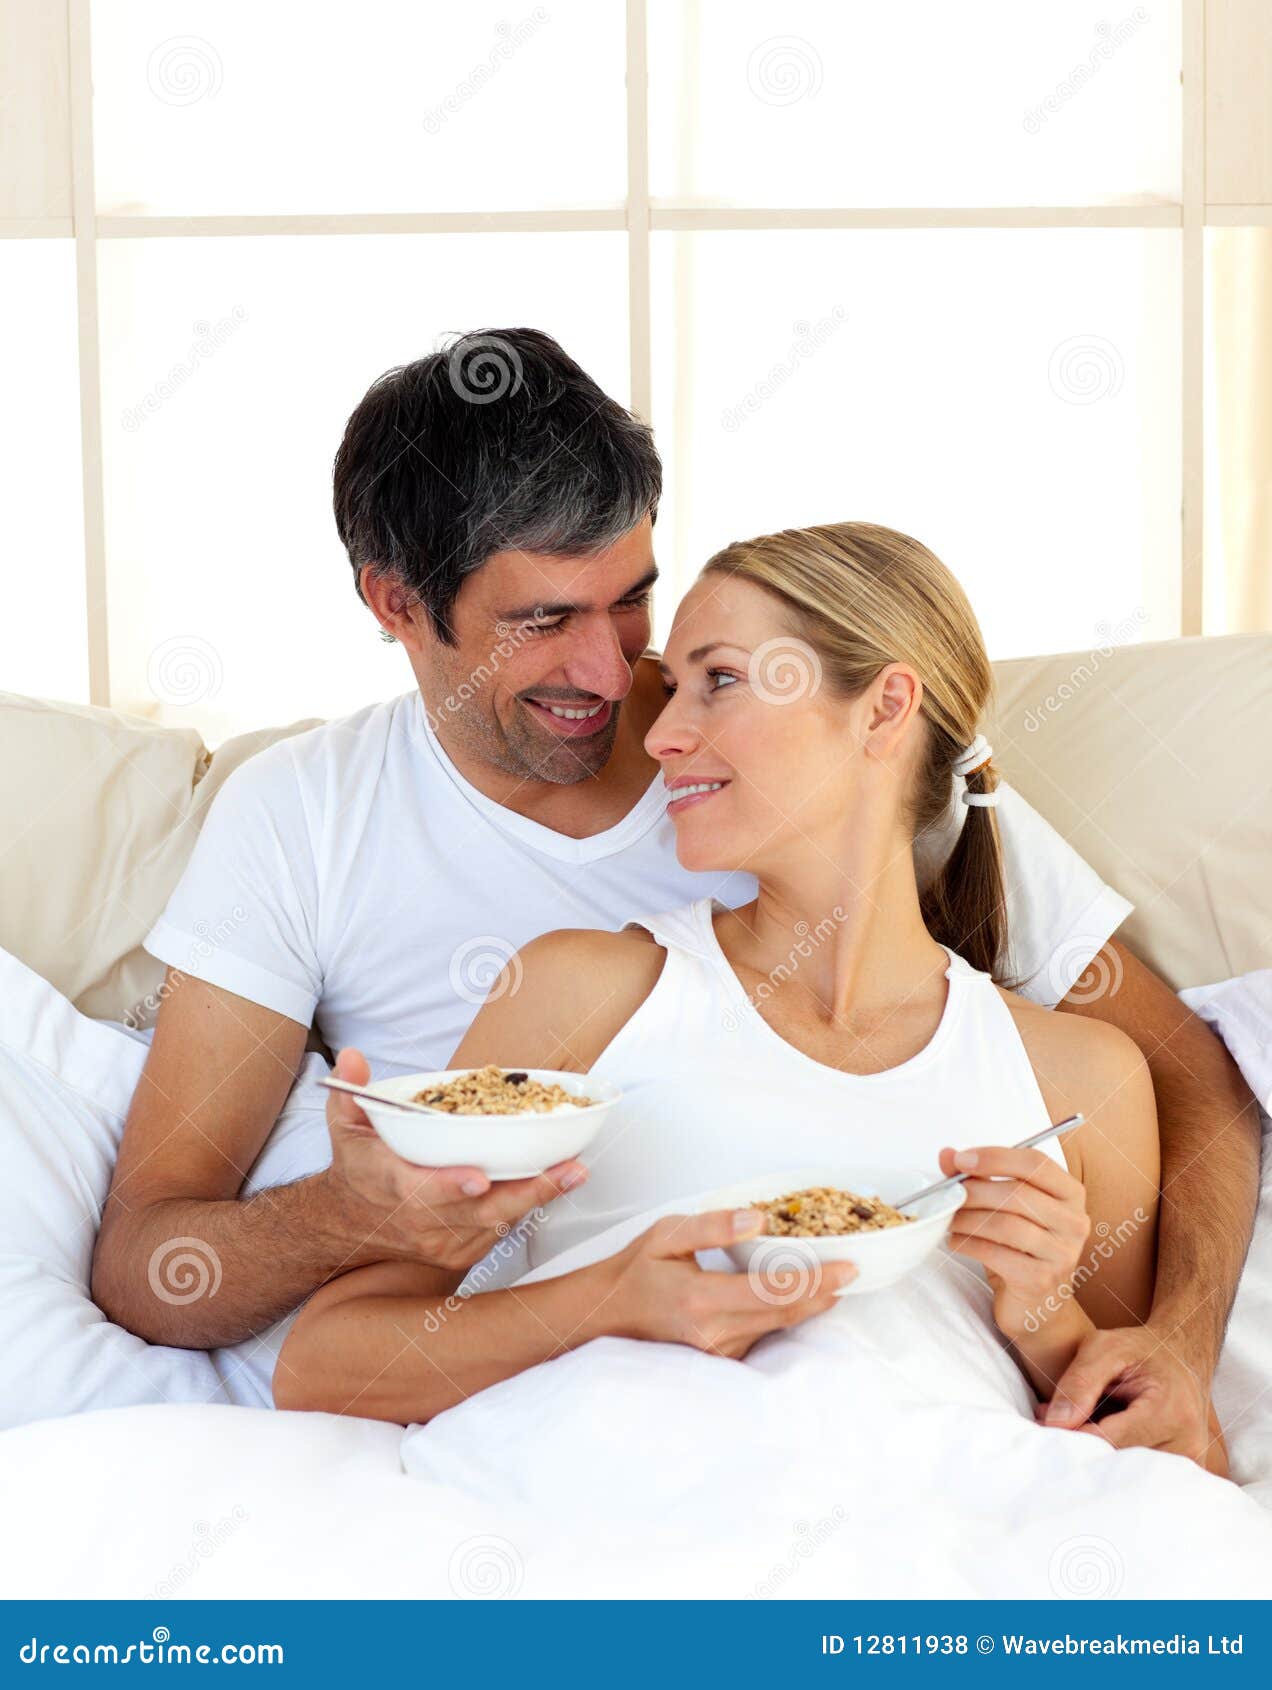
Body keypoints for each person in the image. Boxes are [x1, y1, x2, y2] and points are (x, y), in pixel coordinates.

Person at [91, 330, 1259, 1466]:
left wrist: (1172, 1345)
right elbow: (156, 1260)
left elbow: (1185, 1080)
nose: (625, 686)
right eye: (543, 619)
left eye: (633, 601)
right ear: (396, 602)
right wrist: (357, 1213)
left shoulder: (854, 760)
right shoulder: (312, 822)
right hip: (568, 1409)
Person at [272, 522, 1229, 1477]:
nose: (658, 734)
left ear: (884, 710)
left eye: (718, 680)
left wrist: (1045, 1317)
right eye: (675, 683)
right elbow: (326, 1366)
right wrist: (603, 1303)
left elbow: (1146, 1439)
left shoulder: (1080, 1082)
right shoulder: (580, 992)